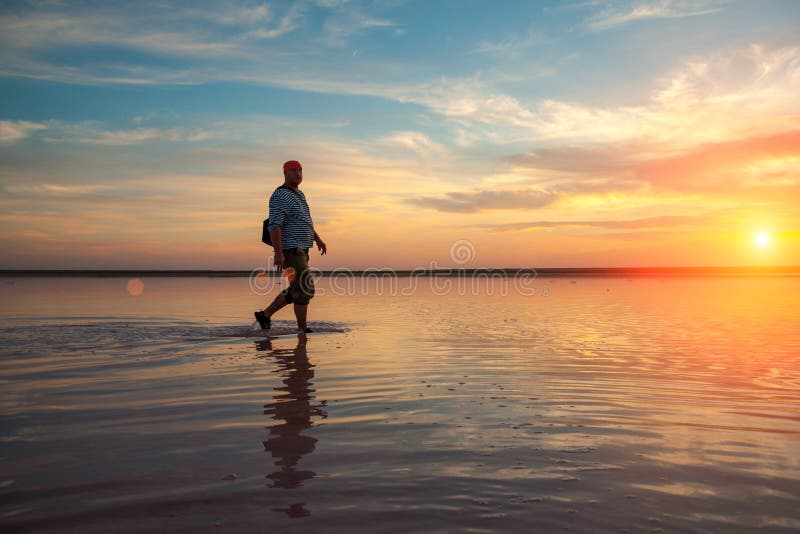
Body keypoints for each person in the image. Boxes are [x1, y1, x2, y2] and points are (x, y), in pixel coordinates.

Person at [255, 160, 327, 334]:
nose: (298, 173)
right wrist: (278, 252)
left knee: (297, 288)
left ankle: (265, 315)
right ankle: (302, 330)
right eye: (294, 170)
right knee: (304, 288)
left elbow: (305, 220)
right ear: (285, 173)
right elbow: (274, 225)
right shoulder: (280, 195)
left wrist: (318, 239)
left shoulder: (300, 194)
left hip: (303, 248)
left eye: (300, 170)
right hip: (291, 249)